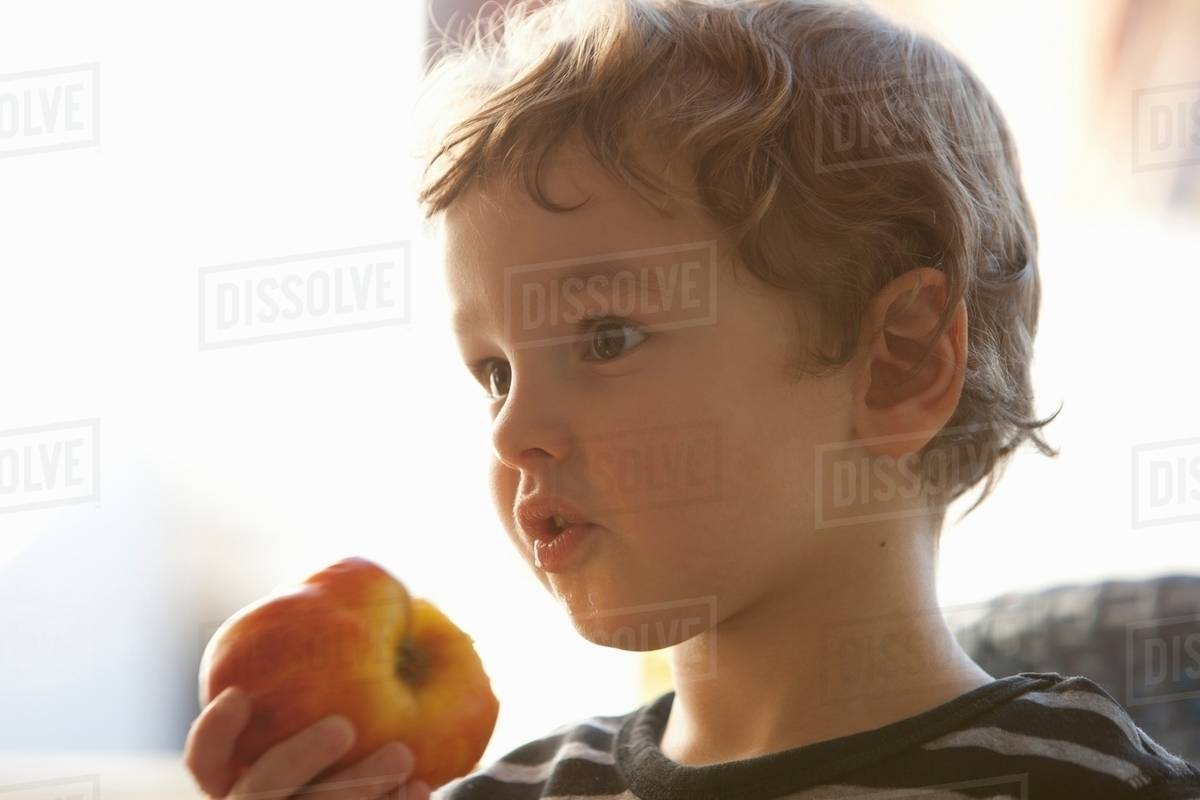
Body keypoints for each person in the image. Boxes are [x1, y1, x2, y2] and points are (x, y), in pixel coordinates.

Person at [184, 1, 1200, 798]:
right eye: (494, 370)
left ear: (898, 361)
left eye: (607, 337)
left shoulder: (1088, 780)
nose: (514, 426)